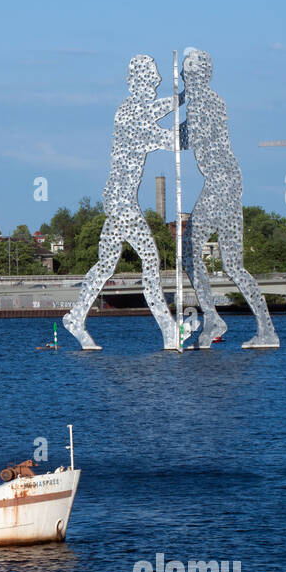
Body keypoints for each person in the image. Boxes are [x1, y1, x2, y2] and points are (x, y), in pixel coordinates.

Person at [63, 55, 178, 351]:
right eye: (152, 76)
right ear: (137, 81)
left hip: (116, 198)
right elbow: (165, 138)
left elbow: (158, 109)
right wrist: (194, 129)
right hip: (122, 201)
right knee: (150, 261)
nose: (158, 80)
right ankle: (169, 330)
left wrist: (183, 98)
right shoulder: (129, 113)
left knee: (106, 265)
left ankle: (76, 317)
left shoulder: (135, 109)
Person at [178, 49, 279, 349]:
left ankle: (213, 317)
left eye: (191, 75)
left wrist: (155, 136)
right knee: (232, 265)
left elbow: (188, 138)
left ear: (203, 75)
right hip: (228, 183)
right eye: (185, 75)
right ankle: (266, 330)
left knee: (188, 252)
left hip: (221, 184)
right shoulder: (206, 100)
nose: (187, 79)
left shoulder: (206, 103)